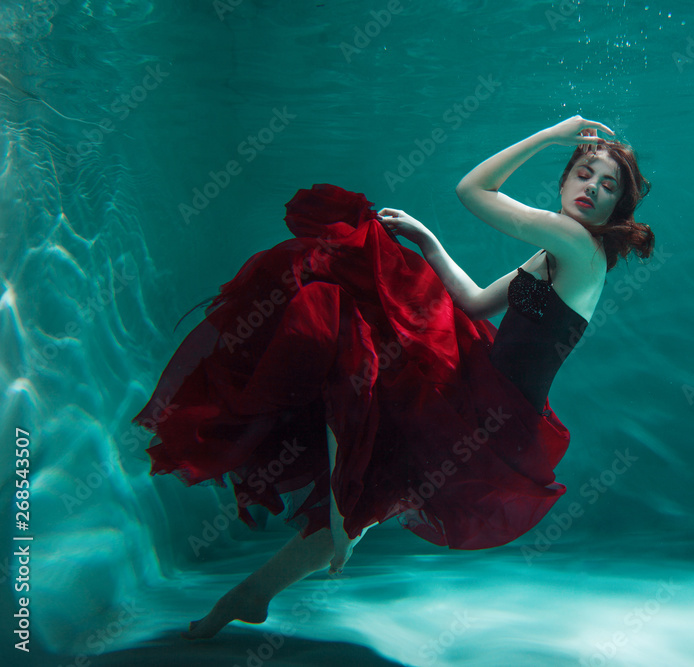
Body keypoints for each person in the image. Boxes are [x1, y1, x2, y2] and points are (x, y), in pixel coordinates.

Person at [132, 115, 652, 639]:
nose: (592, 188)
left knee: (345, 322)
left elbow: (473, 190)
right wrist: (428, 241)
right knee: (372, 487)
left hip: (491, 416)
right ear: (563, 182)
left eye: (608, 186)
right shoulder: (553, 252)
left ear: (617, 209)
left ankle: (340, 502)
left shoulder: (578, 246)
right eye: (584, 173)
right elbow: (474, 305)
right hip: (482, 400)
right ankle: (248, 598)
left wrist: (548, 136)